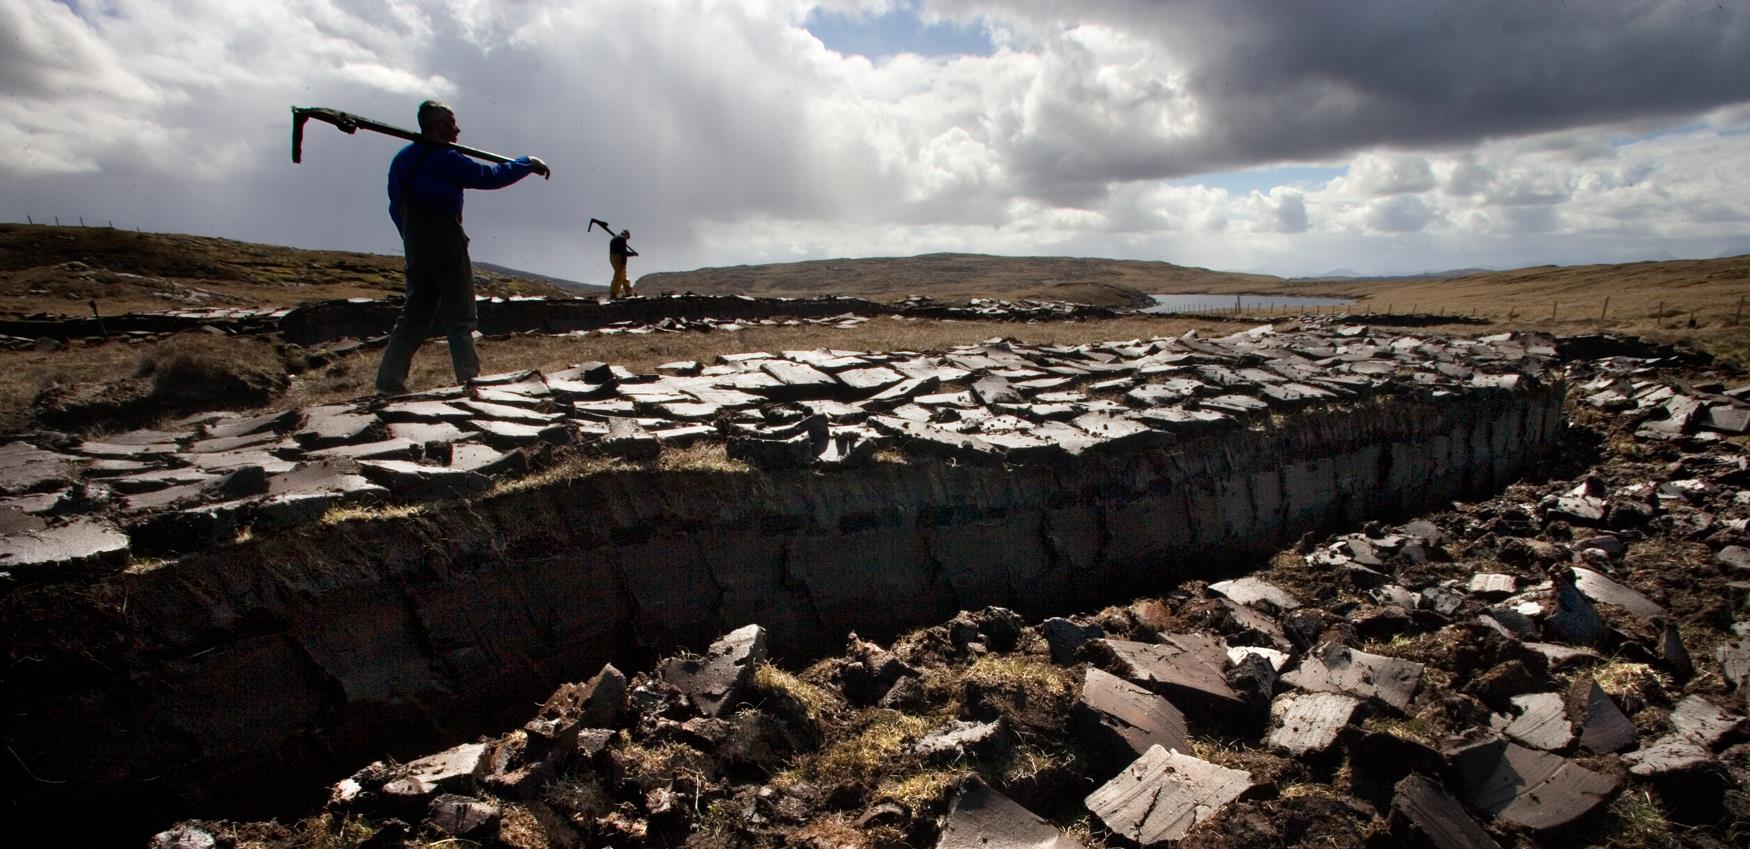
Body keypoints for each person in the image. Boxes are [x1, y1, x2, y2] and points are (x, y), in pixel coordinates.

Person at [375, 99, 550, 394]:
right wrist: (526, 162)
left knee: (415, 313)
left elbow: (395, 205)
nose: (458, 129)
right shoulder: (446, 158)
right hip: (445, 239)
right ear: (439, 125)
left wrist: (410, 237)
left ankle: (388, 380)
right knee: (460, 314)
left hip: (414, 243)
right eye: (453, 122)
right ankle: (469, 379)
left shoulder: (402, 160)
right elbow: (489, 177)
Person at [608, 228, 639, 298]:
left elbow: (622, 251)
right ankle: (613, 295)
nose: (627, 239)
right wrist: (633, 254)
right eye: (627, 238)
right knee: (618, 276)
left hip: (613, 258)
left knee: (623, 276)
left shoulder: (616, 238)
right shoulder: (622, 239)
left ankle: (628, 291)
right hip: (619, 259)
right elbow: (624, 252)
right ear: (626, 235)